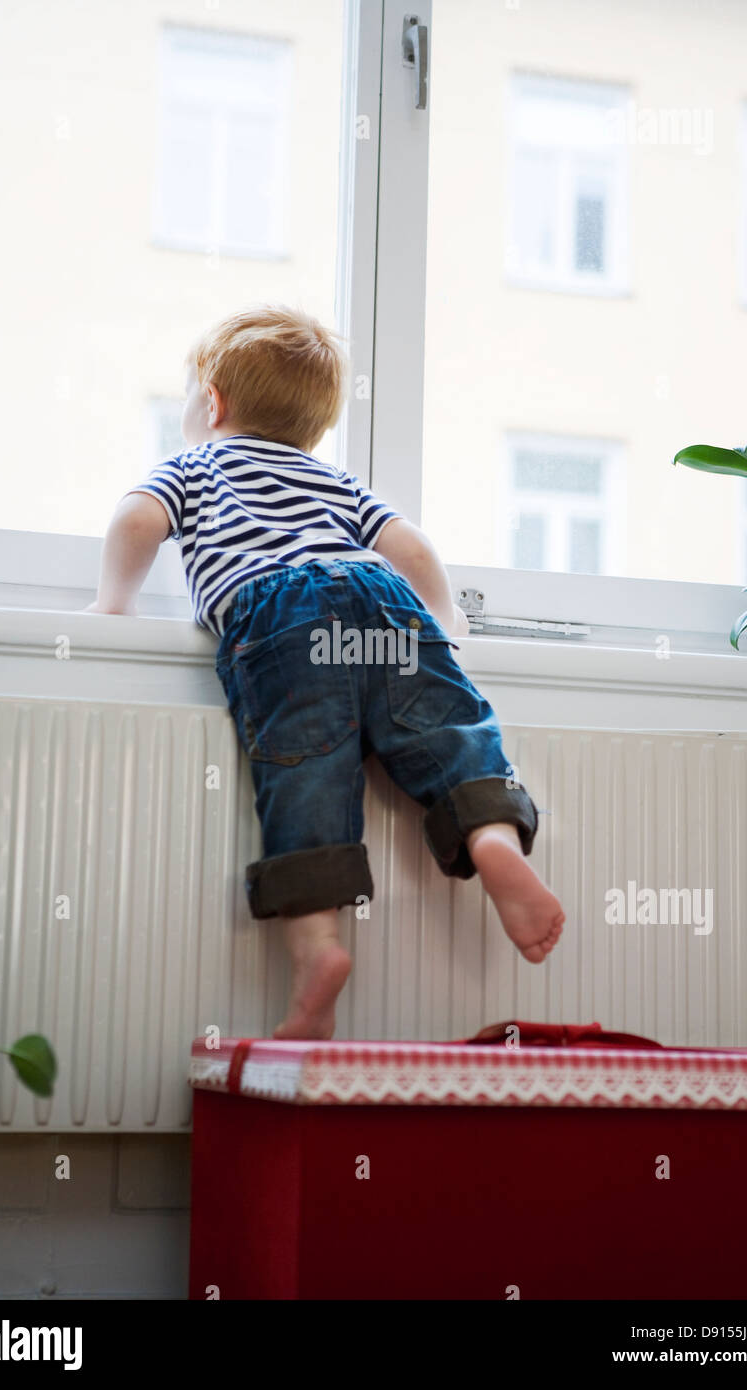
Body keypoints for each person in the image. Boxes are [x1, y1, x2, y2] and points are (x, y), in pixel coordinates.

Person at [88, 304, 564, 1039]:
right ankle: (493, 842)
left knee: (304, 774)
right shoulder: (331, 477)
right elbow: (407, 544)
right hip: (380, 596)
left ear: (210, 404)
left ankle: (319, 951)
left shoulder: (194, 464)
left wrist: (110, 606)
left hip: (282, 619)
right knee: (450, 730)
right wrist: (445, 619)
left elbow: (136, 522)